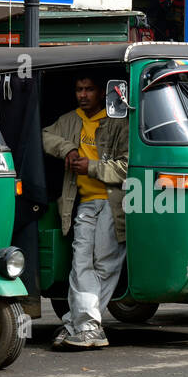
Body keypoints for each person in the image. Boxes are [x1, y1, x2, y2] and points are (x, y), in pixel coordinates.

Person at [42, 76, 129, 349]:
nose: (83, 95)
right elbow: (45, 135)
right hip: (83, 204)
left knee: (104, 264)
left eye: (89, 89)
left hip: (113, 203)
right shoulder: (70, 120)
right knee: (81, 264)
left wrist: (91, 167)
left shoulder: (119, 121)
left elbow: (128, 166)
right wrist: (66, 148)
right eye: (79, 89)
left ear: (102, 93)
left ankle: (79, 324)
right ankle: (85, 325)